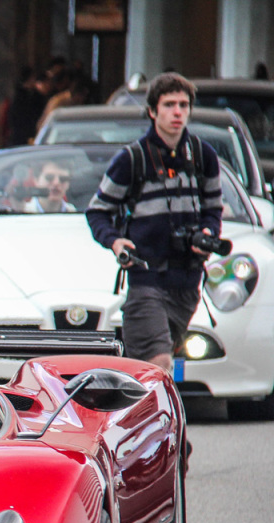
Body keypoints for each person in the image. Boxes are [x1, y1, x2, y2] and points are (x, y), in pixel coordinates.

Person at [86, 72, 223, 376]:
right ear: (152, 111)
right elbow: (97, 211)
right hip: (146, 279)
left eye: (184, 105)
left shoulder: (204, 156)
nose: (177, 112)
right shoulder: (132, 160)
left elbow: (214, 209)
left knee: (151, 370)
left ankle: (143, 420)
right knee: (158, 363)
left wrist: (208, 233)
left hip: (187, 282)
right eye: (169, 104)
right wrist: (114, 241)